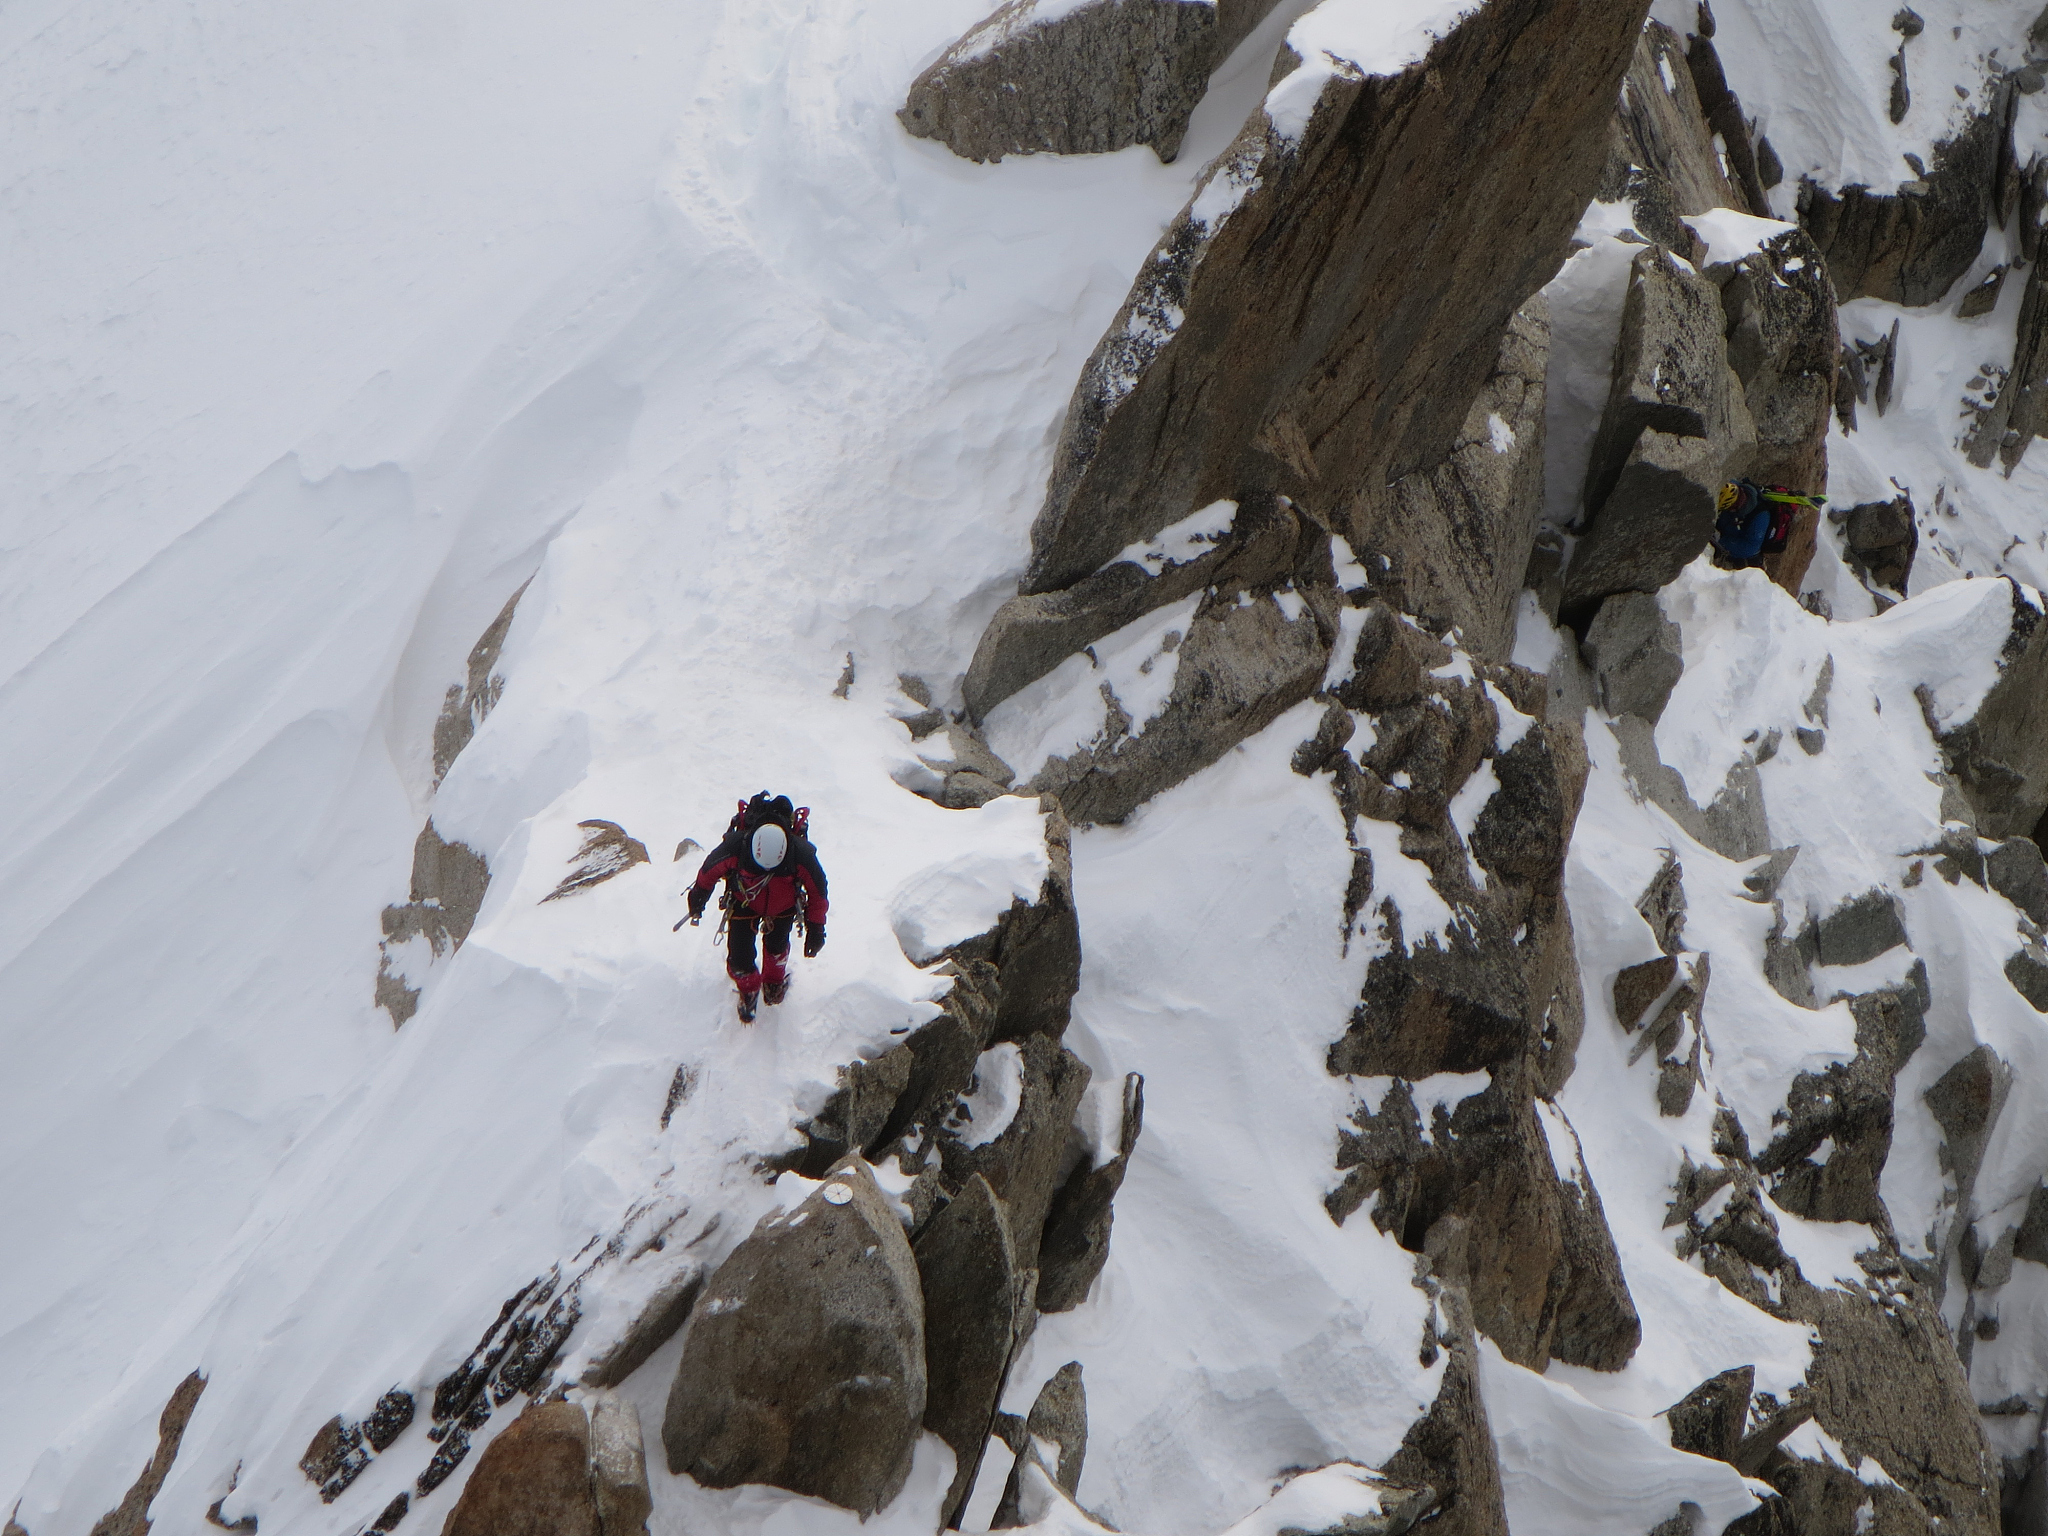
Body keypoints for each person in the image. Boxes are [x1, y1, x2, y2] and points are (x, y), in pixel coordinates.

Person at [686, 793, 827, 1022]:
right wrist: (698, 896)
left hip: (779, 907)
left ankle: (773, 984)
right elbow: (708, 873)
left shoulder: (800, 853)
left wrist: (817, 928)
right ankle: (750, 987)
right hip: (745, 903)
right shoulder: (737, 846)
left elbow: (818, 893)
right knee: (739, 959)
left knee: (776, 947)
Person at [1714, 478, 1825, 567]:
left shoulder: (1760, 519)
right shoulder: (1740, 488)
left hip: (1743, 549)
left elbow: (1749, 548)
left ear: (1735, 507)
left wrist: (1722, 542)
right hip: (1731, 529)